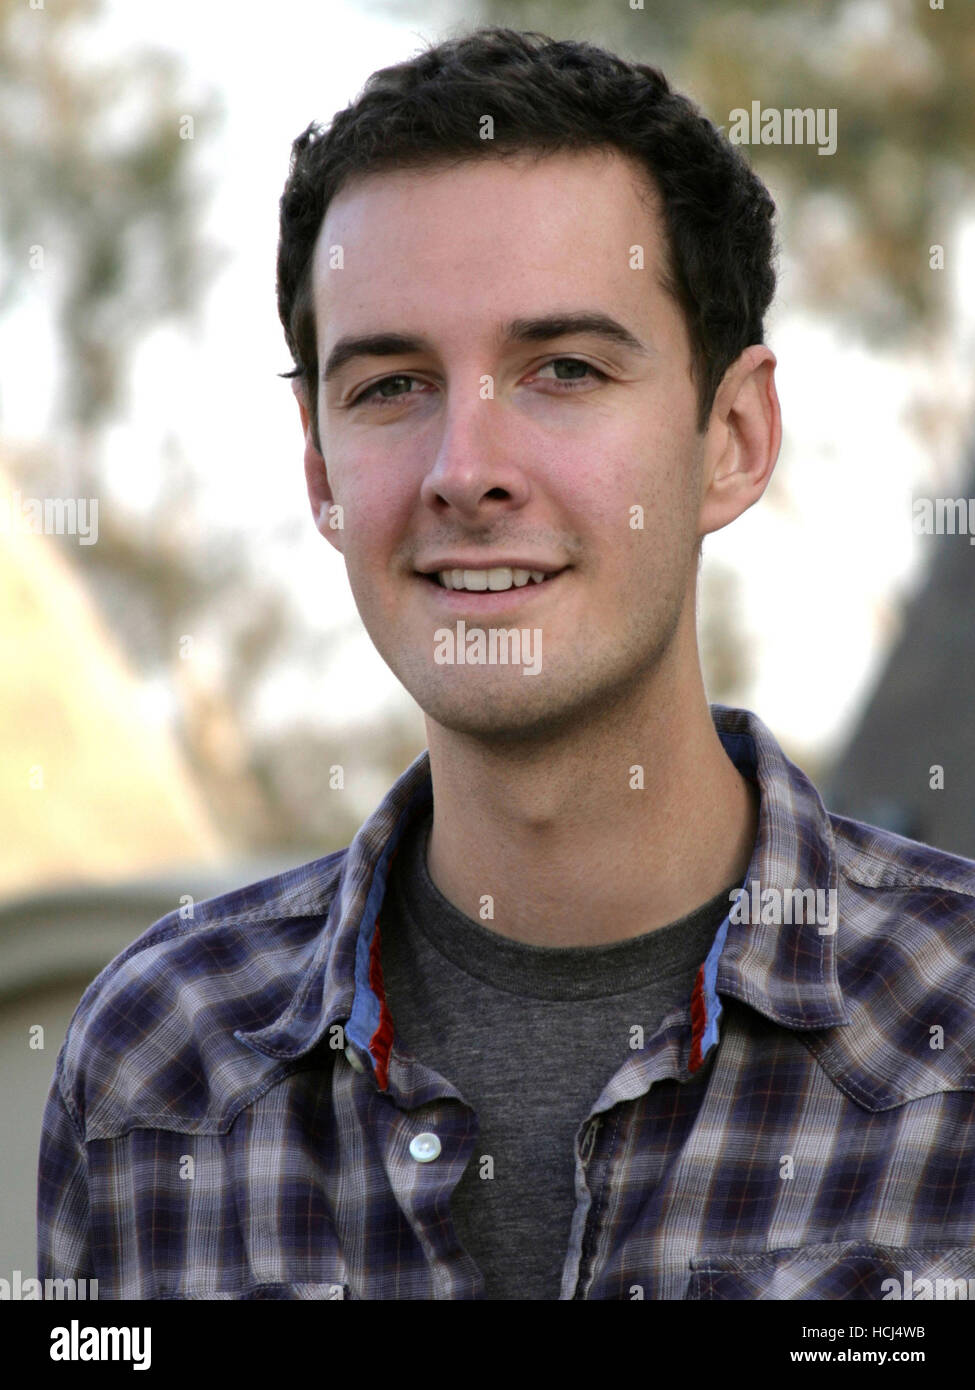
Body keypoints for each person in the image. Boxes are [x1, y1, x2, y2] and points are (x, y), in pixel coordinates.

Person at [37, 27, 975, 1302]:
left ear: (735, 438)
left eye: (566, 370)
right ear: (320, 471)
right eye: (388, 386)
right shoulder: (161, 1062)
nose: (463, 466)